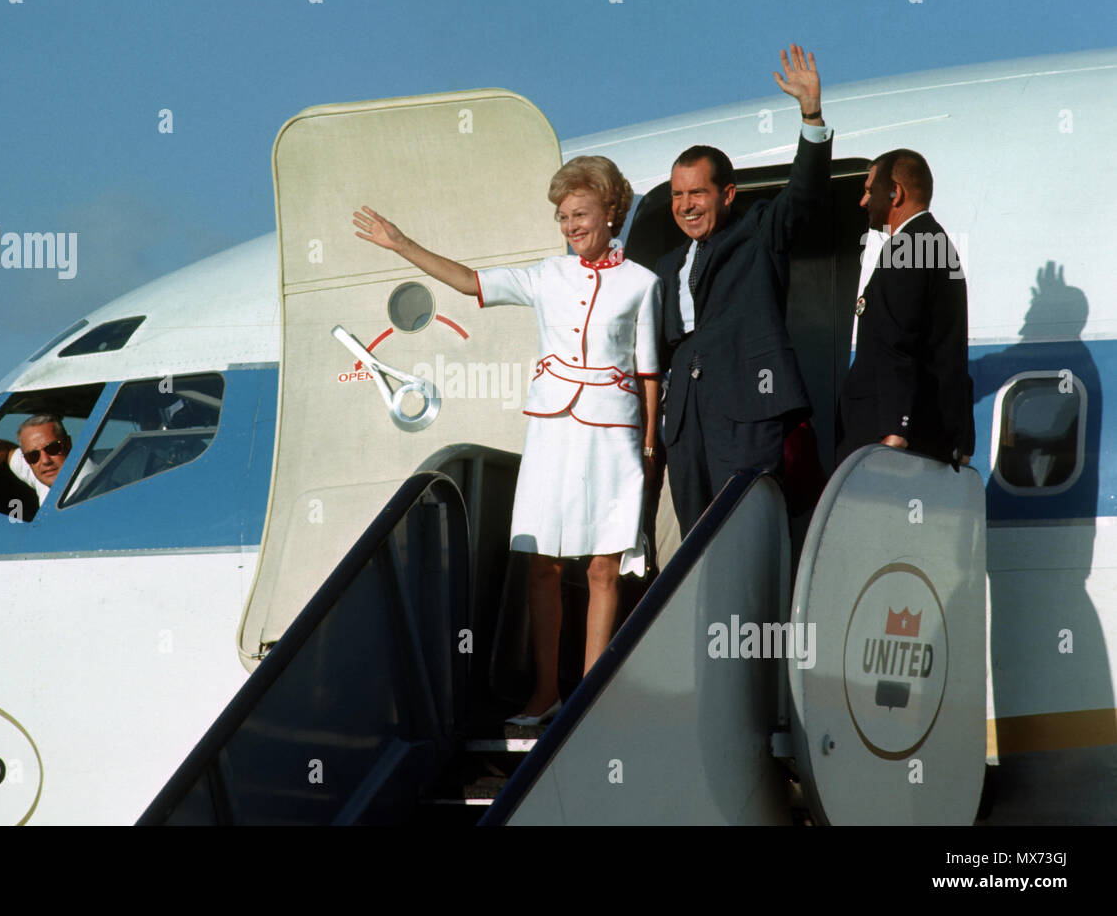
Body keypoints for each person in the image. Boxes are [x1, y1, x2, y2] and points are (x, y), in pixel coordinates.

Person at [354, 156, 661, 726]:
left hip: (613, 432)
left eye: (580, 214)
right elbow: (471, 281)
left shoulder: (643, 284)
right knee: (541, 561)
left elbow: (648, 372)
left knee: (602, 566)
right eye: (563, 217)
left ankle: (591, 694)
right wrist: (402, 245)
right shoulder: (546, 275)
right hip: (552, 426)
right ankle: (545, 692)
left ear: (610, 212)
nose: (570, 227)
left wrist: (646, 444)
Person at [654, 45, 831, 536]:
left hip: (749, 415)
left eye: (697, 193)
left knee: (745, 536)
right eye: (677, 195)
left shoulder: (757, 231)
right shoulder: (669, 264)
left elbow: (805, 197)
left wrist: (811, 114)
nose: (686, 206)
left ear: (727, 194)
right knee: (697, 545)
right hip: (688, 426)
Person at [837, 149, 974, 465]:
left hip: (894, 444)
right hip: (930, 439)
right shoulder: (933, 242)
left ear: (895, 192)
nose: (863, 201)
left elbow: (896, 342)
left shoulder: (908, 247)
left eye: (870, 190)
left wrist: (894, 433)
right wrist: (963, 439)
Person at [0, 414, 93, 511]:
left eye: (53, 448)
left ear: (68, 444)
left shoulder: (91, 477)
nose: (45, 461)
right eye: (33, 456)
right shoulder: (43, 472)